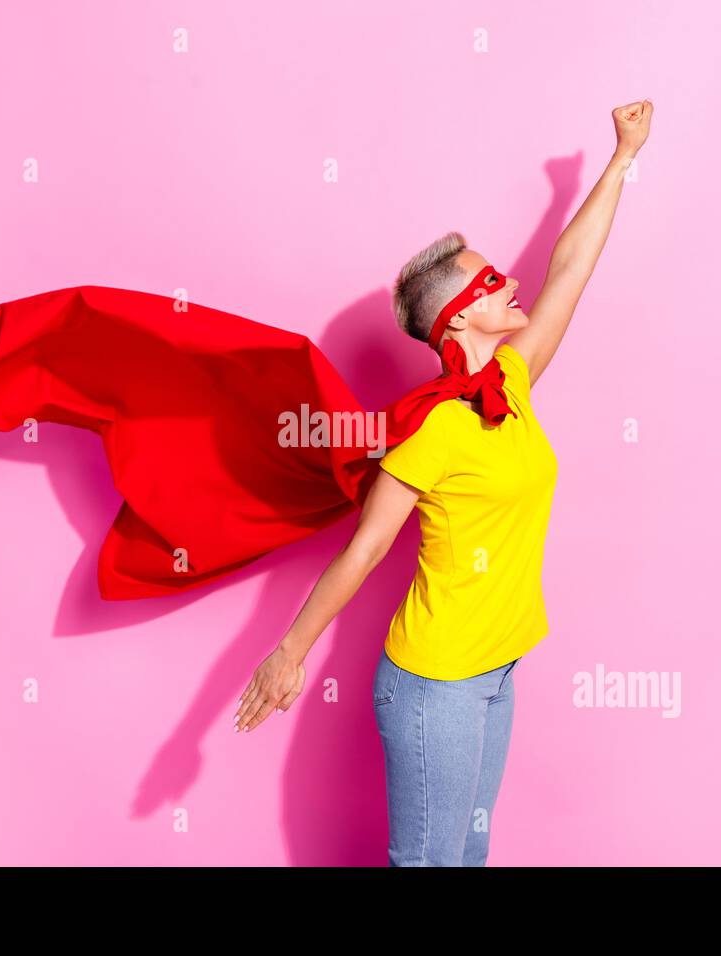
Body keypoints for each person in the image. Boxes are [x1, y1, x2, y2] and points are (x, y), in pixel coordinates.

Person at [233, 99, 653, 866]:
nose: (511, 281)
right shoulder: (432, 428)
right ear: (458, 319)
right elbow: (363, 552)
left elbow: (570, 268)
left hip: (496, 668)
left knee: (466, 859)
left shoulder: (511, 385)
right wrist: (289, 654)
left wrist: (621, 159)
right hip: (437, 685)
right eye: (489, 279)